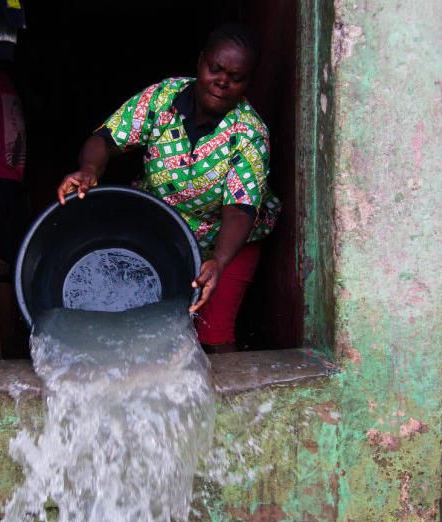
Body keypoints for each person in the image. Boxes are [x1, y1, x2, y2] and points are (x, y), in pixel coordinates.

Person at [55, 23, 280, 353]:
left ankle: (225, 401)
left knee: (214, 336)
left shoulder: (249, 133)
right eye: (215, 69)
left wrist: (218, 260)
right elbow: (107, 139)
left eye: (237, 77)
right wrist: (89, 170)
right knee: (143, 322)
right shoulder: (163, 99)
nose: (222, 81)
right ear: (200, 61)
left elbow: (240, 207)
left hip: (226, 243)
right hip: (160, 231)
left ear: (248, 81)